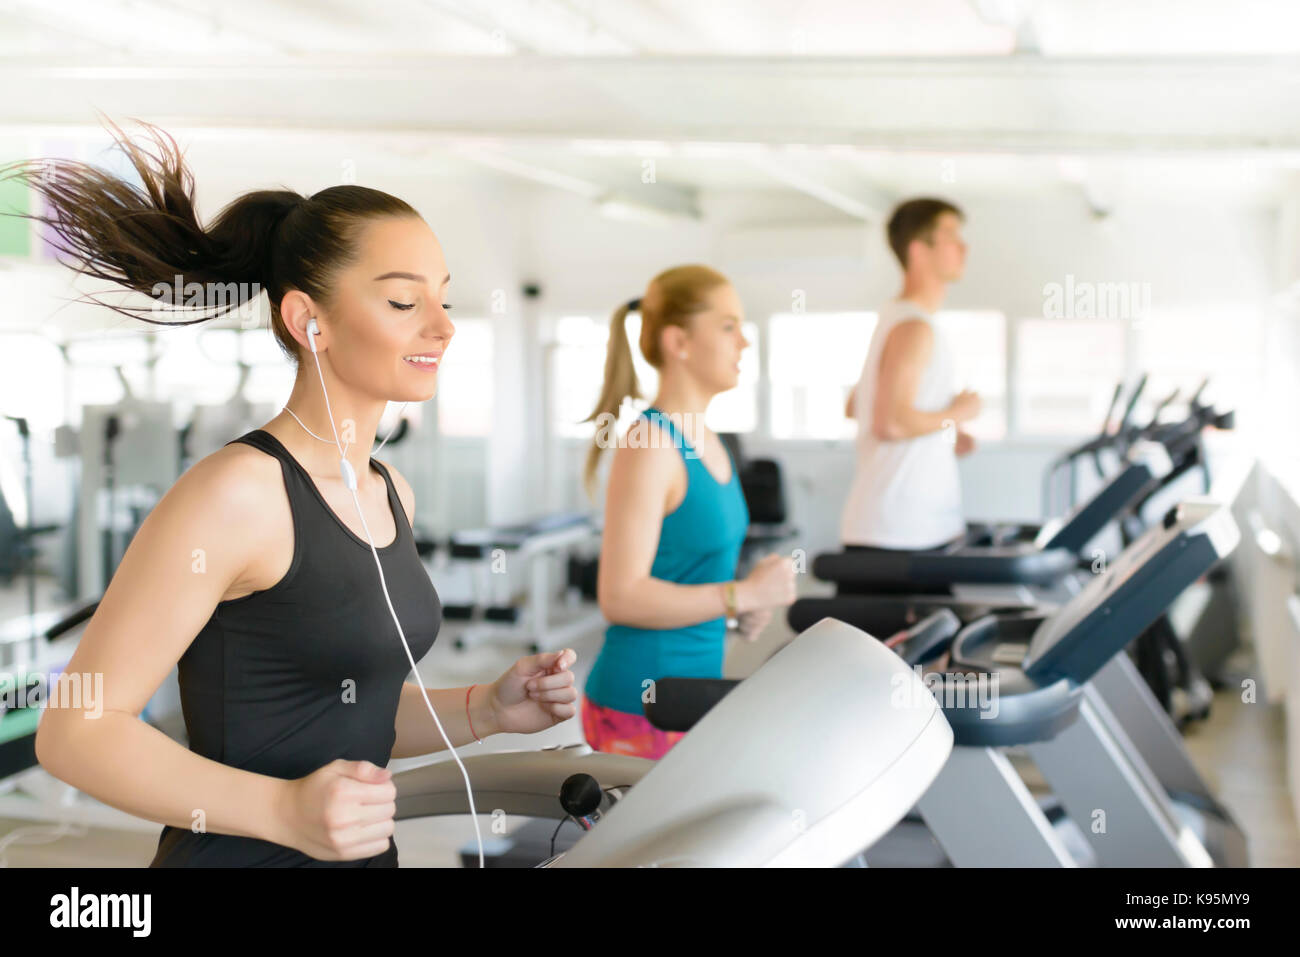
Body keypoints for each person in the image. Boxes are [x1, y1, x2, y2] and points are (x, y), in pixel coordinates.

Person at [2, 121, 577, 867]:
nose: (442, 326)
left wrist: (487, 708)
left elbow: (342, 714)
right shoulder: (237, 492)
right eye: (405, 303)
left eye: (444, 299)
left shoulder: (388, 489)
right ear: (309, 321)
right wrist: (282, 809)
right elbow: (75, 731)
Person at [580, 265, 796, 760]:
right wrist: (741, 594)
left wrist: (738, 610)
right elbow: (620, 596)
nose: (744, 342)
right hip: (640, 703)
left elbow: (688, 576)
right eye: (727, 326)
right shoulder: (650, 442)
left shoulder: (710, 439)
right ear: (679, 342)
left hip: (692, 694)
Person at [843, 198, 980, 553]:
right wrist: (960, 412)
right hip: (898, 533)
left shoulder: (898, 317)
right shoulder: (914, 327)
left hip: (909, 529)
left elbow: (856, 404)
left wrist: (944, 428)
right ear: (919, 251)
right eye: (950, 235)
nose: (963, 246)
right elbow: (890, 424)